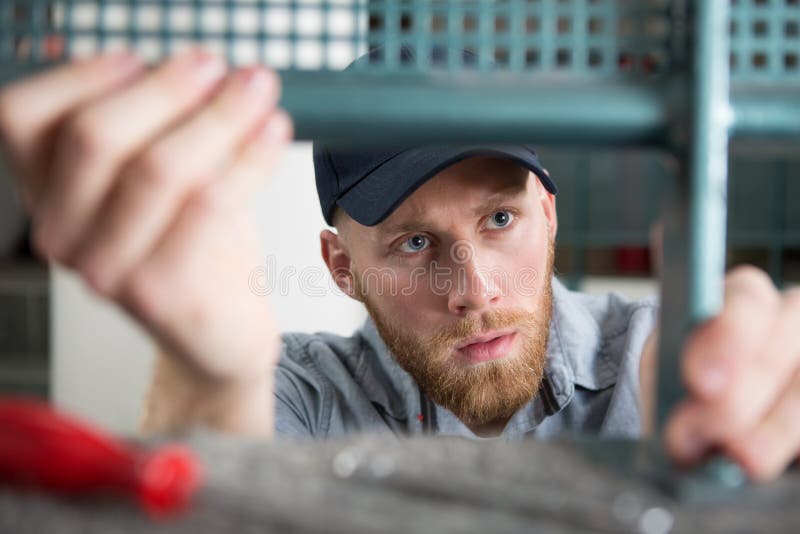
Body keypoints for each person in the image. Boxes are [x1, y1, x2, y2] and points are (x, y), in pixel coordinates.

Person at [1, 50, 799, 482]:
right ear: (341, 267)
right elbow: (218, 472)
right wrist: (210, 375)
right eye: (414, 244)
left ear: (549, 214)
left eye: (500, 220)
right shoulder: (304, 393)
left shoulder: (667, 364)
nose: (474, 290)